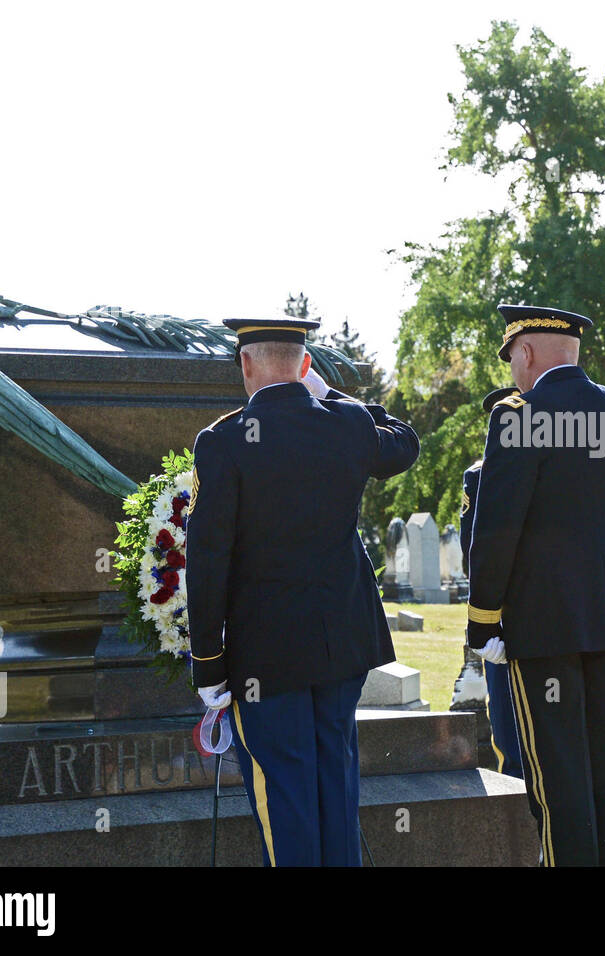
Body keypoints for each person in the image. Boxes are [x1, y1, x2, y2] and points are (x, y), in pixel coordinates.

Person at [186, 316, 419, 866]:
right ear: (306, 365)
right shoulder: (348, 423)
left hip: (265, 654)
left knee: (285, 795)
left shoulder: (223, 441)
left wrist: (207, 663)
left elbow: (208, 559)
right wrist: (331, 395)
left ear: (245, 364)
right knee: (336, 784)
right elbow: (404, 442)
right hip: (342, 643)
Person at [465, 303, 605, 867]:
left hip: (544, 625)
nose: (513, 372)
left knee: (558, 770)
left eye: (513, 358)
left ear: (527, 352)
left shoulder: (518, 416)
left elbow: (496, 529)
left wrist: (483, 618)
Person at [459, 385, 524, 778]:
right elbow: (474, 549)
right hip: (502, 610)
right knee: (506, 719)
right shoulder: (479, 475)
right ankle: (517, 793)